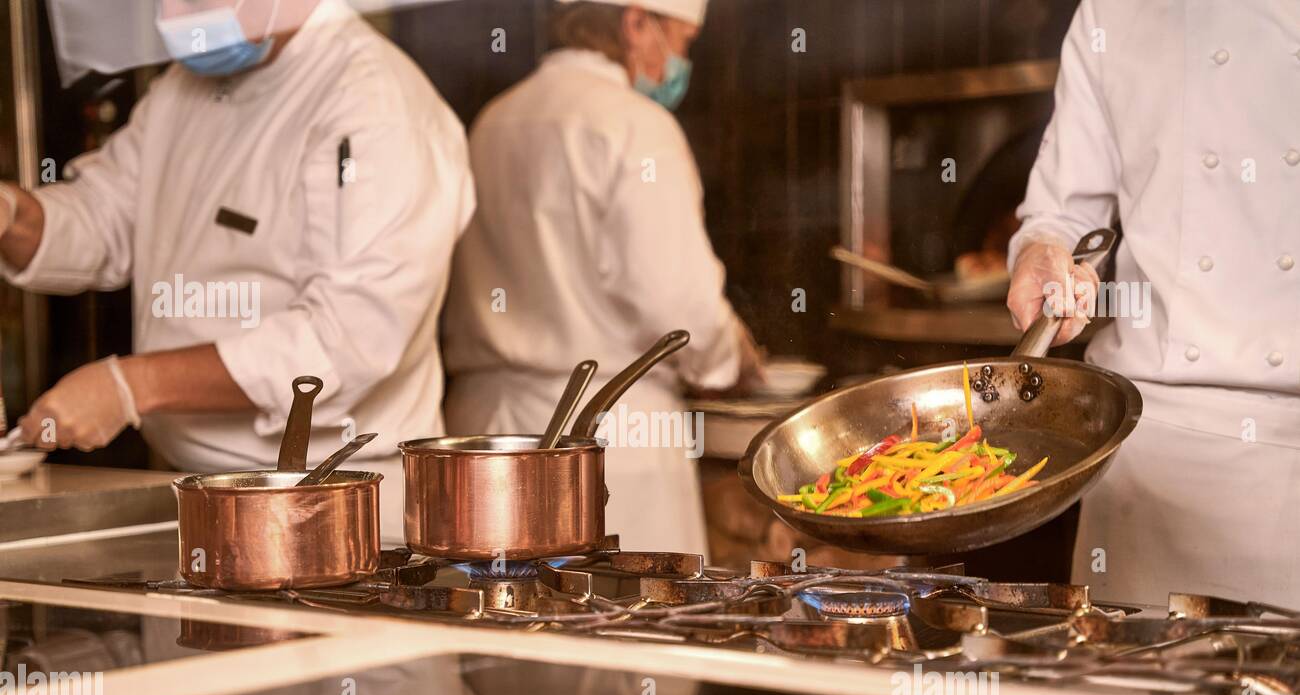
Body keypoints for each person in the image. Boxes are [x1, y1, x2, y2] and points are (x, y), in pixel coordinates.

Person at [0, 0, 475, 542]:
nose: (174, 13)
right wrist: (15, 216)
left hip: (337, 507)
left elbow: (349, 340)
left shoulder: (375, 105)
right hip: (194, 494)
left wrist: (133, 385)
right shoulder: (183, 86)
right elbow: (106, 216)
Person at [441, 0, 761, 557]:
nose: (682, 64)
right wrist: (730, 357)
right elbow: (676, 304)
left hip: (485, 436)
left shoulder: (492, 121)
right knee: (626, 627)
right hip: (609, 441)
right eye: (682, 43)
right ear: (637, 23)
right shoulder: (637, 126)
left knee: (503, 625)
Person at [1006, 0, 1300, 606]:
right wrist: (1044, 251)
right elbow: (1064, 212)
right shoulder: (1111, 13)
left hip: (1288, 461)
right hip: (1146, 450)